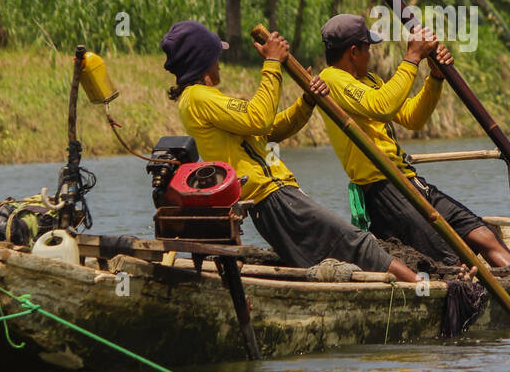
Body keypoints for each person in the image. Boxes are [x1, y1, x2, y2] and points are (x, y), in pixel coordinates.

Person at [159, 20, 420, 283]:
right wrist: (272, 64)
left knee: (333, 255)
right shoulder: (198, 97)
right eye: (216, 57)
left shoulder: (202, 98)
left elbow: (269, 131)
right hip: (272, 197)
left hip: (277, 196)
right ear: (203, 59)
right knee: (356, 241)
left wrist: (307, 100)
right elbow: (258, 118)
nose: (219, 63)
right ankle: (421, 285)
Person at [317, 13, 510, 269]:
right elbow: (381, 106)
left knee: (484, 235)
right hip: (383, 190)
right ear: (353, 52)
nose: (371, 55)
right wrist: (412, 57)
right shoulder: (331, 79)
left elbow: (412, 118)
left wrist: (435, 78)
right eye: (368, 49)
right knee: (451, 258)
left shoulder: (369, 80)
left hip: (409, 181)